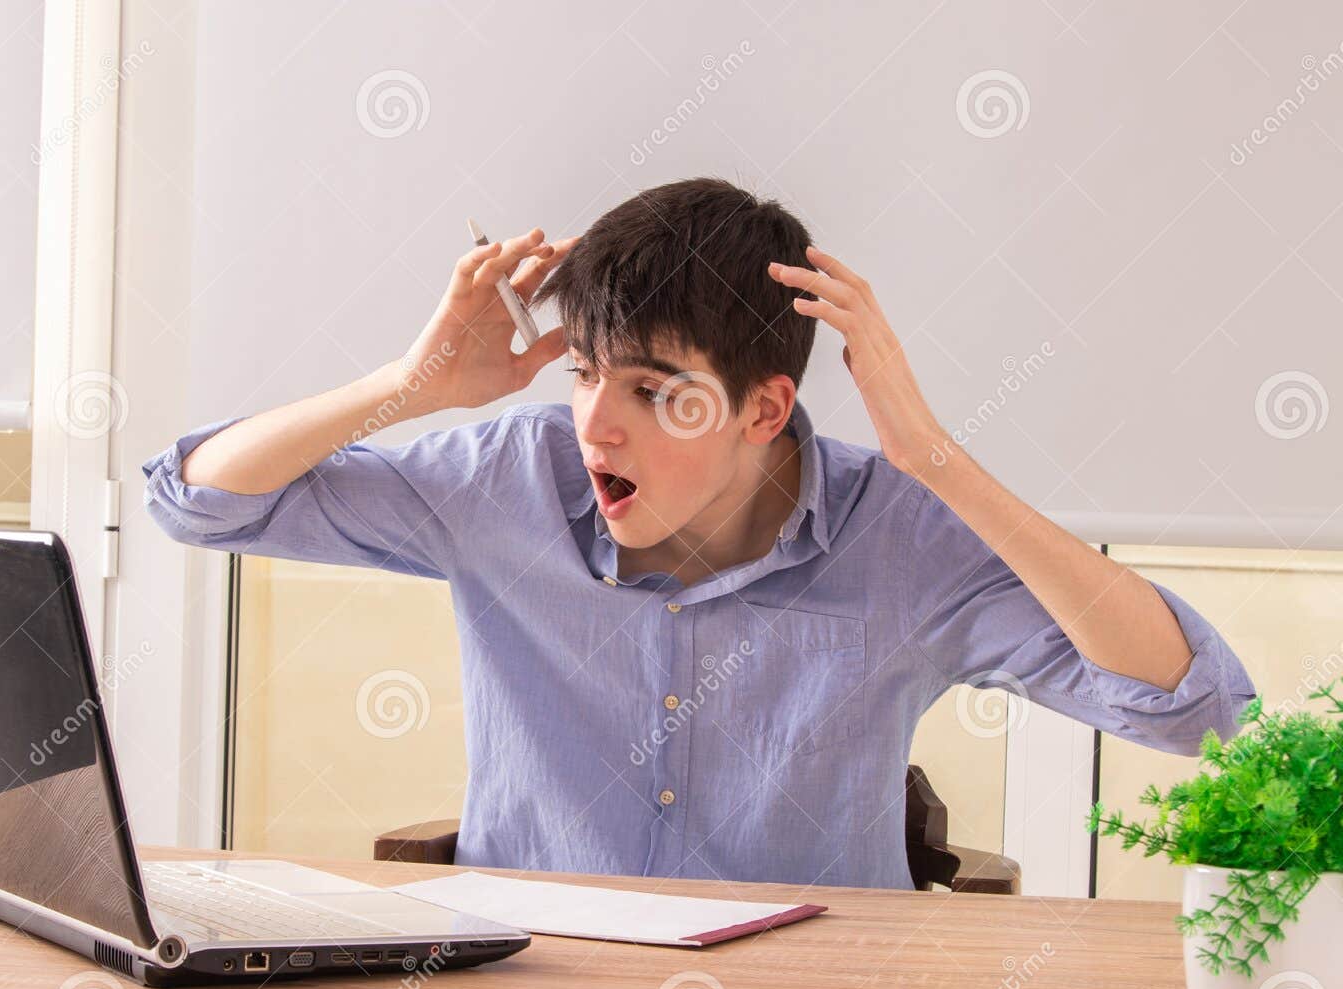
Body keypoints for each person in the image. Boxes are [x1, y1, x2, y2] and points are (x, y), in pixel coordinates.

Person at [142, 176, 1255, 890]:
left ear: (762, 409)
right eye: (582, 373)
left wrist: (933, 460)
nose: (593, 423)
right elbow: (199, 500)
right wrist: (410, 384)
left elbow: (1195, 705)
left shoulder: (899, 537)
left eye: (650, 389)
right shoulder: (508, 480)